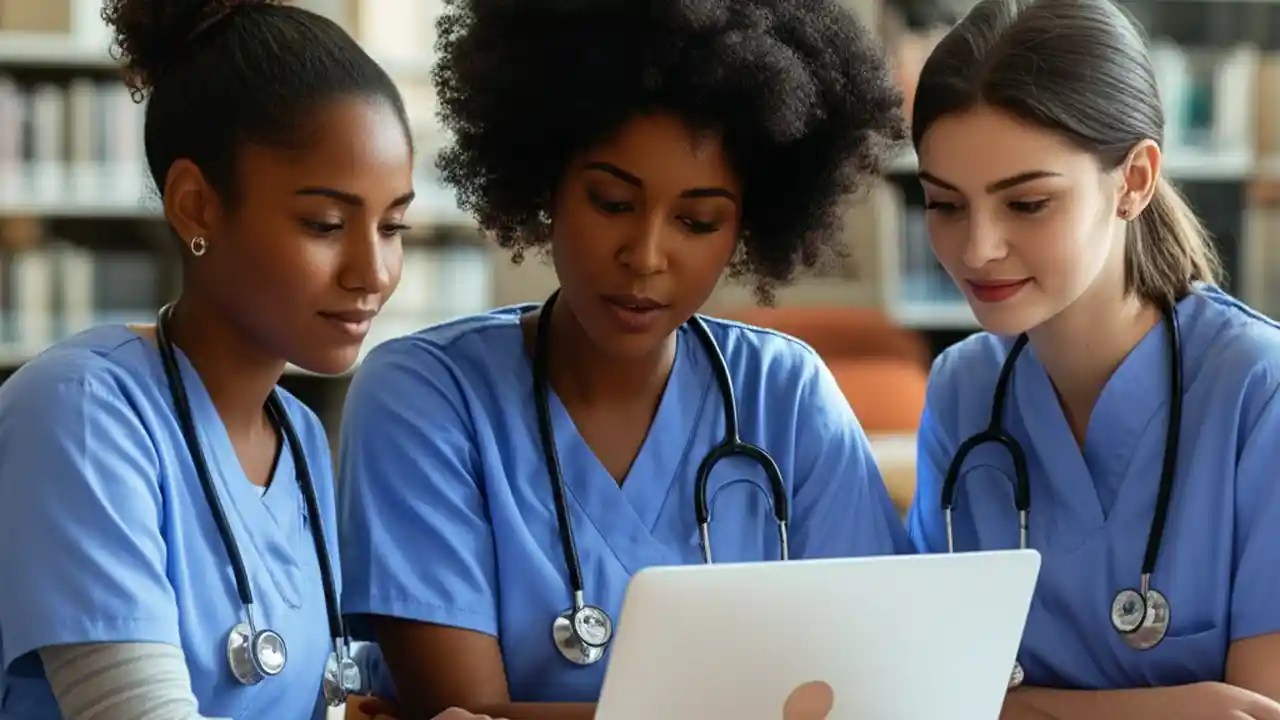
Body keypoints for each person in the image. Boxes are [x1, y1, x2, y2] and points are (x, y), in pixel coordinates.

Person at [335, 1, 913, 718]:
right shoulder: (424, 397)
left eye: (698, 222)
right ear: (546, 184)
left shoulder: (786, 396)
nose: (644, 257)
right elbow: (460, 709)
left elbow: (884, 692)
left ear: (749, 224)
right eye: (611, 202)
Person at [0, 2, 494, 719]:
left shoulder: (296, 439)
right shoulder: (80, 411)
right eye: (324, 224)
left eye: (392, 227)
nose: (374, 271)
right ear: (196, 205)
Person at [904, 0, 1280, 716]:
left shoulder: (1259, 392)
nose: (977, 249)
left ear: (1134, 180)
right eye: (945, 205)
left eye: (1028, 204)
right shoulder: (964, 390)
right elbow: (925, 694)